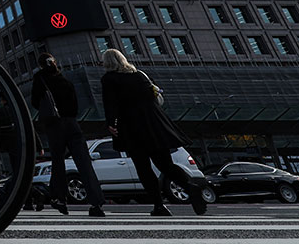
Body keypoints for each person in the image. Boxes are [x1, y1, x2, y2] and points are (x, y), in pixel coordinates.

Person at [100, 49, 206, 216]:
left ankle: (159, 205)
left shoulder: (109, 79)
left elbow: (110, 103)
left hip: (132, 127)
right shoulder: (140, 75)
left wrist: (111, 123)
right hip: (155, 124)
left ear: (107, 62)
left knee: (143, 167)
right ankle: (189, 186)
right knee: (165, 164)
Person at [30, 54, 105, 218]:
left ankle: (60, 198)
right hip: (72, 123)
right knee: (84, 162)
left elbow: (35, 102)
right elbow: (75, 105)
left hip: (55, 125)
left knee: (58, 162)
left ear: (40, 65)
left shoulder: (41, 79)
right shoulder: (65, 80)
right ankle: (96, 202)